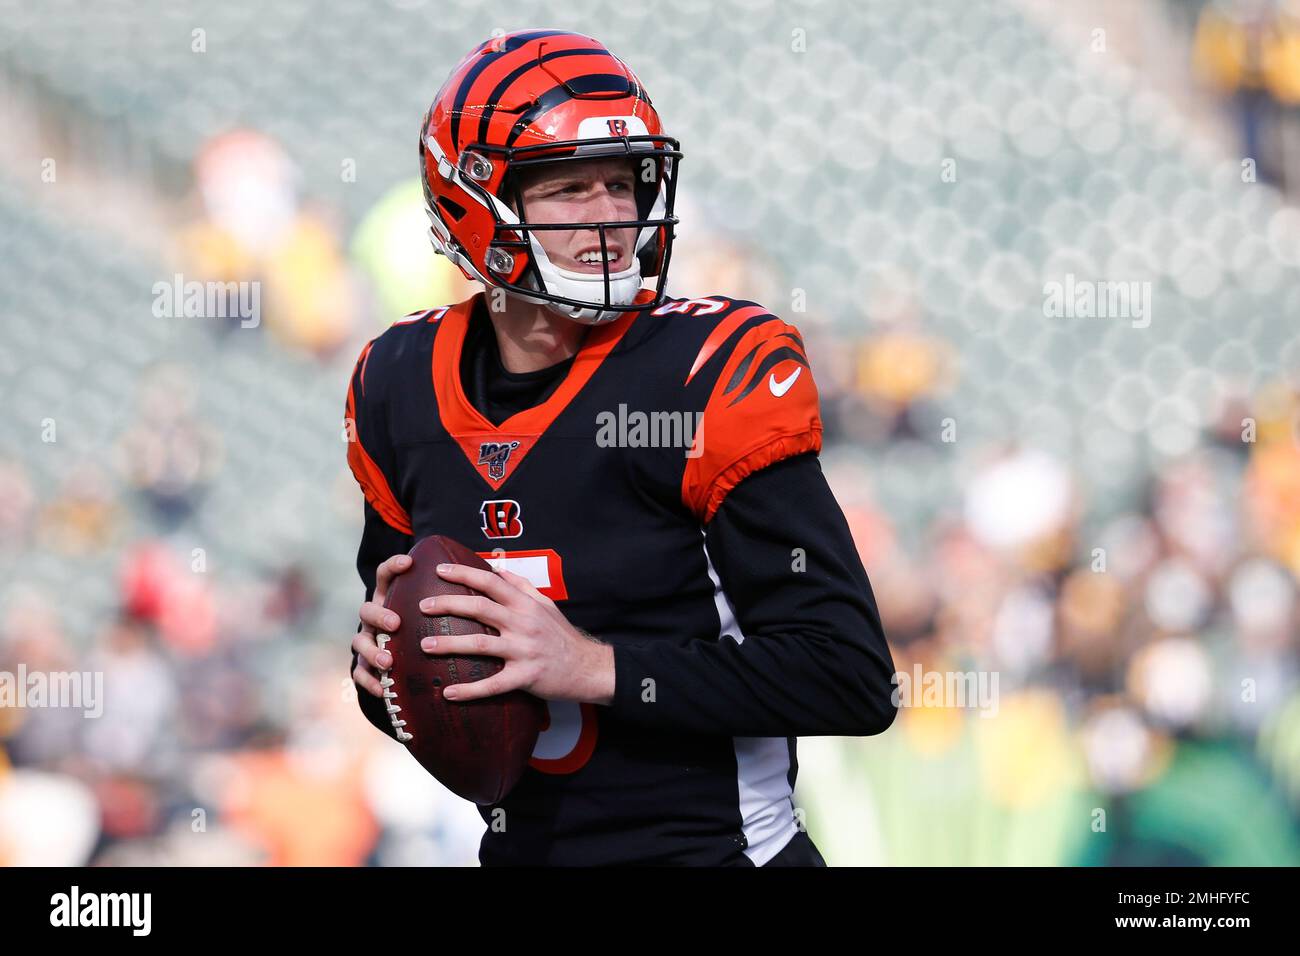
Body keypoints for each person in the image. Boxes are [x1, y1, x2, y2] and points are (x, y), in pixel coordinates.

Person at [345, 29, 896, 866]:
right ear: (473, 204)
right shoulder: (399, 383)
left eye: (622, 185)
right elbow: (420, 686)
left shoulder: (707, 372)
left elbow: (849, 677)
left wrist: (594, 666)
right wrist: (387, 681)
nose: (609, 218)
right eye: (568, 189)